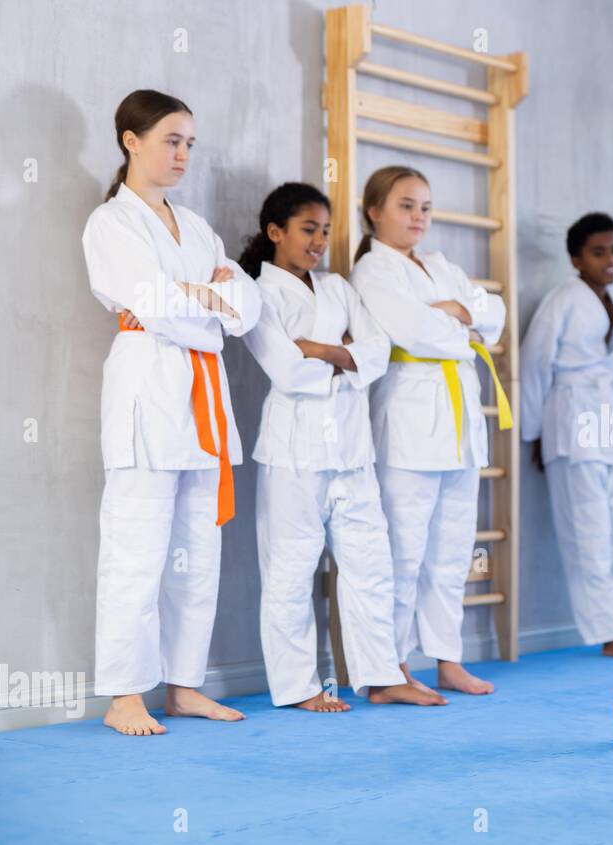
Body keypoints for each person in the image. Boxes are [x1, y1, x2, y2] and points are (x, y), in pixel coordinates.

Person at [82, 89, 263, 736]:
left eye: (190, 142)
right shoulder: (112, 223)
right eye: (171, 140)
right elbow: (155, 306)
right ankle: (125, 694)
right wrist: (205, 301)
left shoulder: (199, 228)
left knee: (197, 550)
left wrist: (208, 298)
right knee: (135, 550)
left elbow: (248, 308)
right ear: (131, 140)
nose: (183, 153)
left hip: (202, 397)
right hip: (146, 390)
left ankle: (185, 685)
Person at [239, 182, 450, 711]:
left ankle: (380, 676)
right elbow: (287, 369)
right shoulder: (258, 292)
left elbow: (378, 352)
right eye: (309, 229)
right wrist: (341, 354)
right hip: (294, 455)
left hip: (353, 452)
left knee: (372, 566)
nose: (320, 241)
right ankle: (299, 687)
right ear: (275, 232)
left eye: (327, 231)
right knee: (290, 572)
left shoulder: (337, 287)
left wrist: (321, 351)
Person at [349, 166, 512, 696]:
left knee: (451, 551)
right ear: (374, 211)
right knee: (402, 552)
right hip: (410, 422)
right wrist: (463, 323)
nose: (418, 216)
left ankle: (448, 657)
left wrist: (460, 313)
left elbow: (497, 315)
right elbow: (415, 331)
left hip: (462, 422)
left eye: (425, 207)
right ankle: (390, 668)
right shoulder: (374, 271)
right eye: (405, 205)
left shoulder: (440, 264)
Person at [519, 213, 613, 660]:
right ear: (576, 258)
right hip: (570, 417)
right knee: (589, 529)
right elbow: (534, 365)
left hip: (608, 420)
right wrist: (535, 430)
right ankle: (608, 631)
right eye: (599, 252)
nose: (610, 259)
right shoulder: (563, 300)